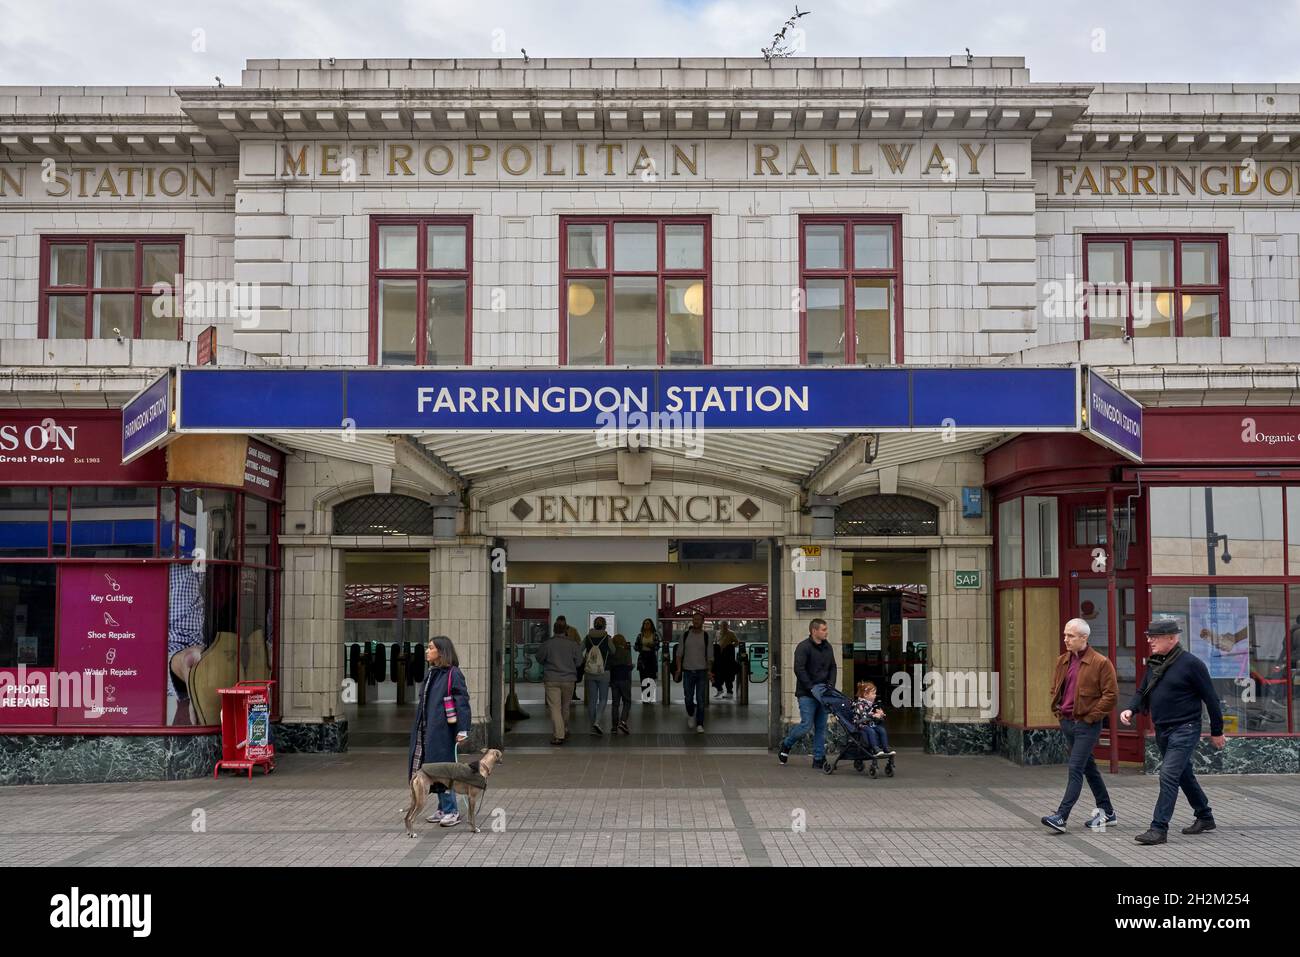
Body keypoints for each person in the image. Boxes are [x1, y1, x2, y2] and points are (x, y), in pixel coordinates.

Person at [1121, 619, 1226, 845]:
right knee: (1183, 774)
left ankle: (1158, 828)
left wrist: (1217, 731)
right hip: (1163, 729)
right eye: (1149, 636)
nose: (1149, 640)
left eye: (1154, 637)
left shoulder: (1191, 664)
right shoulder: (1155, 663)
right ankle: (1205, 816)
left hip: (1185, 728)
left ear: (1172, 638)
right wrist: (1131, 709)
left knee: (1168, 774)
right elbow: (1142, 690)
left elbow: (1211, 699)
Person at [1040, 617, 1118, 834]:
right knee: (1088, 768)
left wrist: (1091, 717)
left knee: (1075, 768)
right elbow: (1056, 689)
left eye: (1071, 636)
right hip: (1068, 722)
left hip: (1086, 725)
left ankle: (1061, 816)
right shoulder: (1063, 660)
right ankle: (1108, 812)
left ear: (1084, 638)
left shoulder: (1101, 663)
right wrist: (1058, 712)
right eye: (1065, 635)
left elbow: (1111, 696)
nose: (1066, 639)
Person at [408, 635, 470, 827]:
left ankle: (452, 811)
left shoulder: (453, 673)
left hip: (443, 731)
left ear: (441, 652)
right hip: (428, 729)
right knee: (433, 769)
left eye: (431, 648)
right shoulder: (432, 673)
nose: (427, 651)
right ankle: (443, 808)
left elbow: (462, 703)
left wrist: (463, 729)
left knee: (444, 770)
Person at [778, 618, 835, 769]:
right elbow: (799, 669)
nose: (826, 632)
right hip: (807, 694)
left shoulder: (828, 647)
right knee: (806, 725)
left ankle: (818, 758)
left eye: (826, 629)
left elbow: (833, 667)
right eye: (823, 629)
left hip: (823, 693)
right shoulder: (803, 647)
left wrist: (830, 686)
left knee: (821, 727)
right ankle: (786, 744)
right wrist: (811, 688)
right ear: (814, 631)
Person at [535, 619, 583, 745]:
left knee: (555, 708)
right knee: (565, 707)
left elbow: (539, 658)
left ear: (554, 630)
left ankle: (558, 735)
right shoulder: (573, 644)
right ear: (566, 630)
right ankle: (564, 729)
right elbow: (579, 662)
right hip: (569, 679)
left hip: (551, 679)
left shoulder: (547, 644)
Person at [674, 612, 713, 733]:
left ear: (702, 621)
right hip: (688, 671)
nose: (696, 621)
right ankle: (691, 714)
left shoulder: (707, 637)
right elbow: (679, 655)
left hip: (702, 672)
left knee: (701, 699)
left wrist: (710, 671)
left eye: (698, 619)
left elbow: (710, 657)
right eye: (694, 619)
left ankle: (700, 723)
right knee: (688, 698)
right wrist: (679, 669)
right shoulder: (685, 635)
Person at [582, 617, 614, 735]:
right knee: (603, 699)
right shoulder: (607, 638)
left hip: (590, 672)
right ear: (604, 626)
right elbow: (613, 651)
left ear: (594, 625)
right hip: (604, 672)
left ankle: (593, 725)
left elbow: (580, 649)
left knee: (592, 700)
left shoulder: (587, 637)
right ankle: (597, 721)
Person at [851, 681, 895, 756]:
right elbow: (863, 716)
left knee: (881, 730)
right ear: (865, 695)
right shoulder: (859, 704)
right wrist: (873, 715)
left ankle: (885, 748)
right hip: (861, 724)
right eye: (873, 693)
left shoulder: (871, 704)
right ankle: (875, 748)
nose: (875, 695)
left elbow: (874, 712)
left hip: (870, 723)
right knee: (871, 731)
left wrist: (880, 714)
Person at [607, 634, 634, 735]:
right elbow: (629, 666)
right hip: (624, 679)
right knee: (627, 701)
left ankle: (614, 727)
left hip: (614, 680)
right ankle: (623, 721)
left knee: (615, 704)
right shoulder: (626, 652)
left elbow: (609, 666)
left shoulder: (611, 653)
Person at [712, 624, 739, 699]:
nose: (723, 627)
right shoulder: (717, 632)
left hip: (728, 657)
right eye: (722, 625)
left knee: (728, 675)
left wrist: (730, 647)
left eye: (725, 625)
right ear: (720, 626)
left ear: (728, 626)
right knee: (716, 674)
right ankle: (719, 689)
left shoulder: (731, 633)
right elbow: (715, 641)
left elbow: (736, 642)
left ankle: (729, 692)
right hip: (718, 656)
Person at [635, 618, 659, 691]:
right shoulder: (640, 635)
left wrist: (651, 646)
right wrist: (640, 647)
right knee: (643, 679)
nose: (646, 625)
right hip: (642, 658)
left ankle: (650, 698)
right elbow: (636, 646)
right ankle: (645, 699)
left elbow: (657, 647)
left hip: (651, 658)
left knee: (651, 679)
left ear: (651, 625)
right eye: (645, 623)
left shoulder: (655, 635)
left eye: (648, 623)